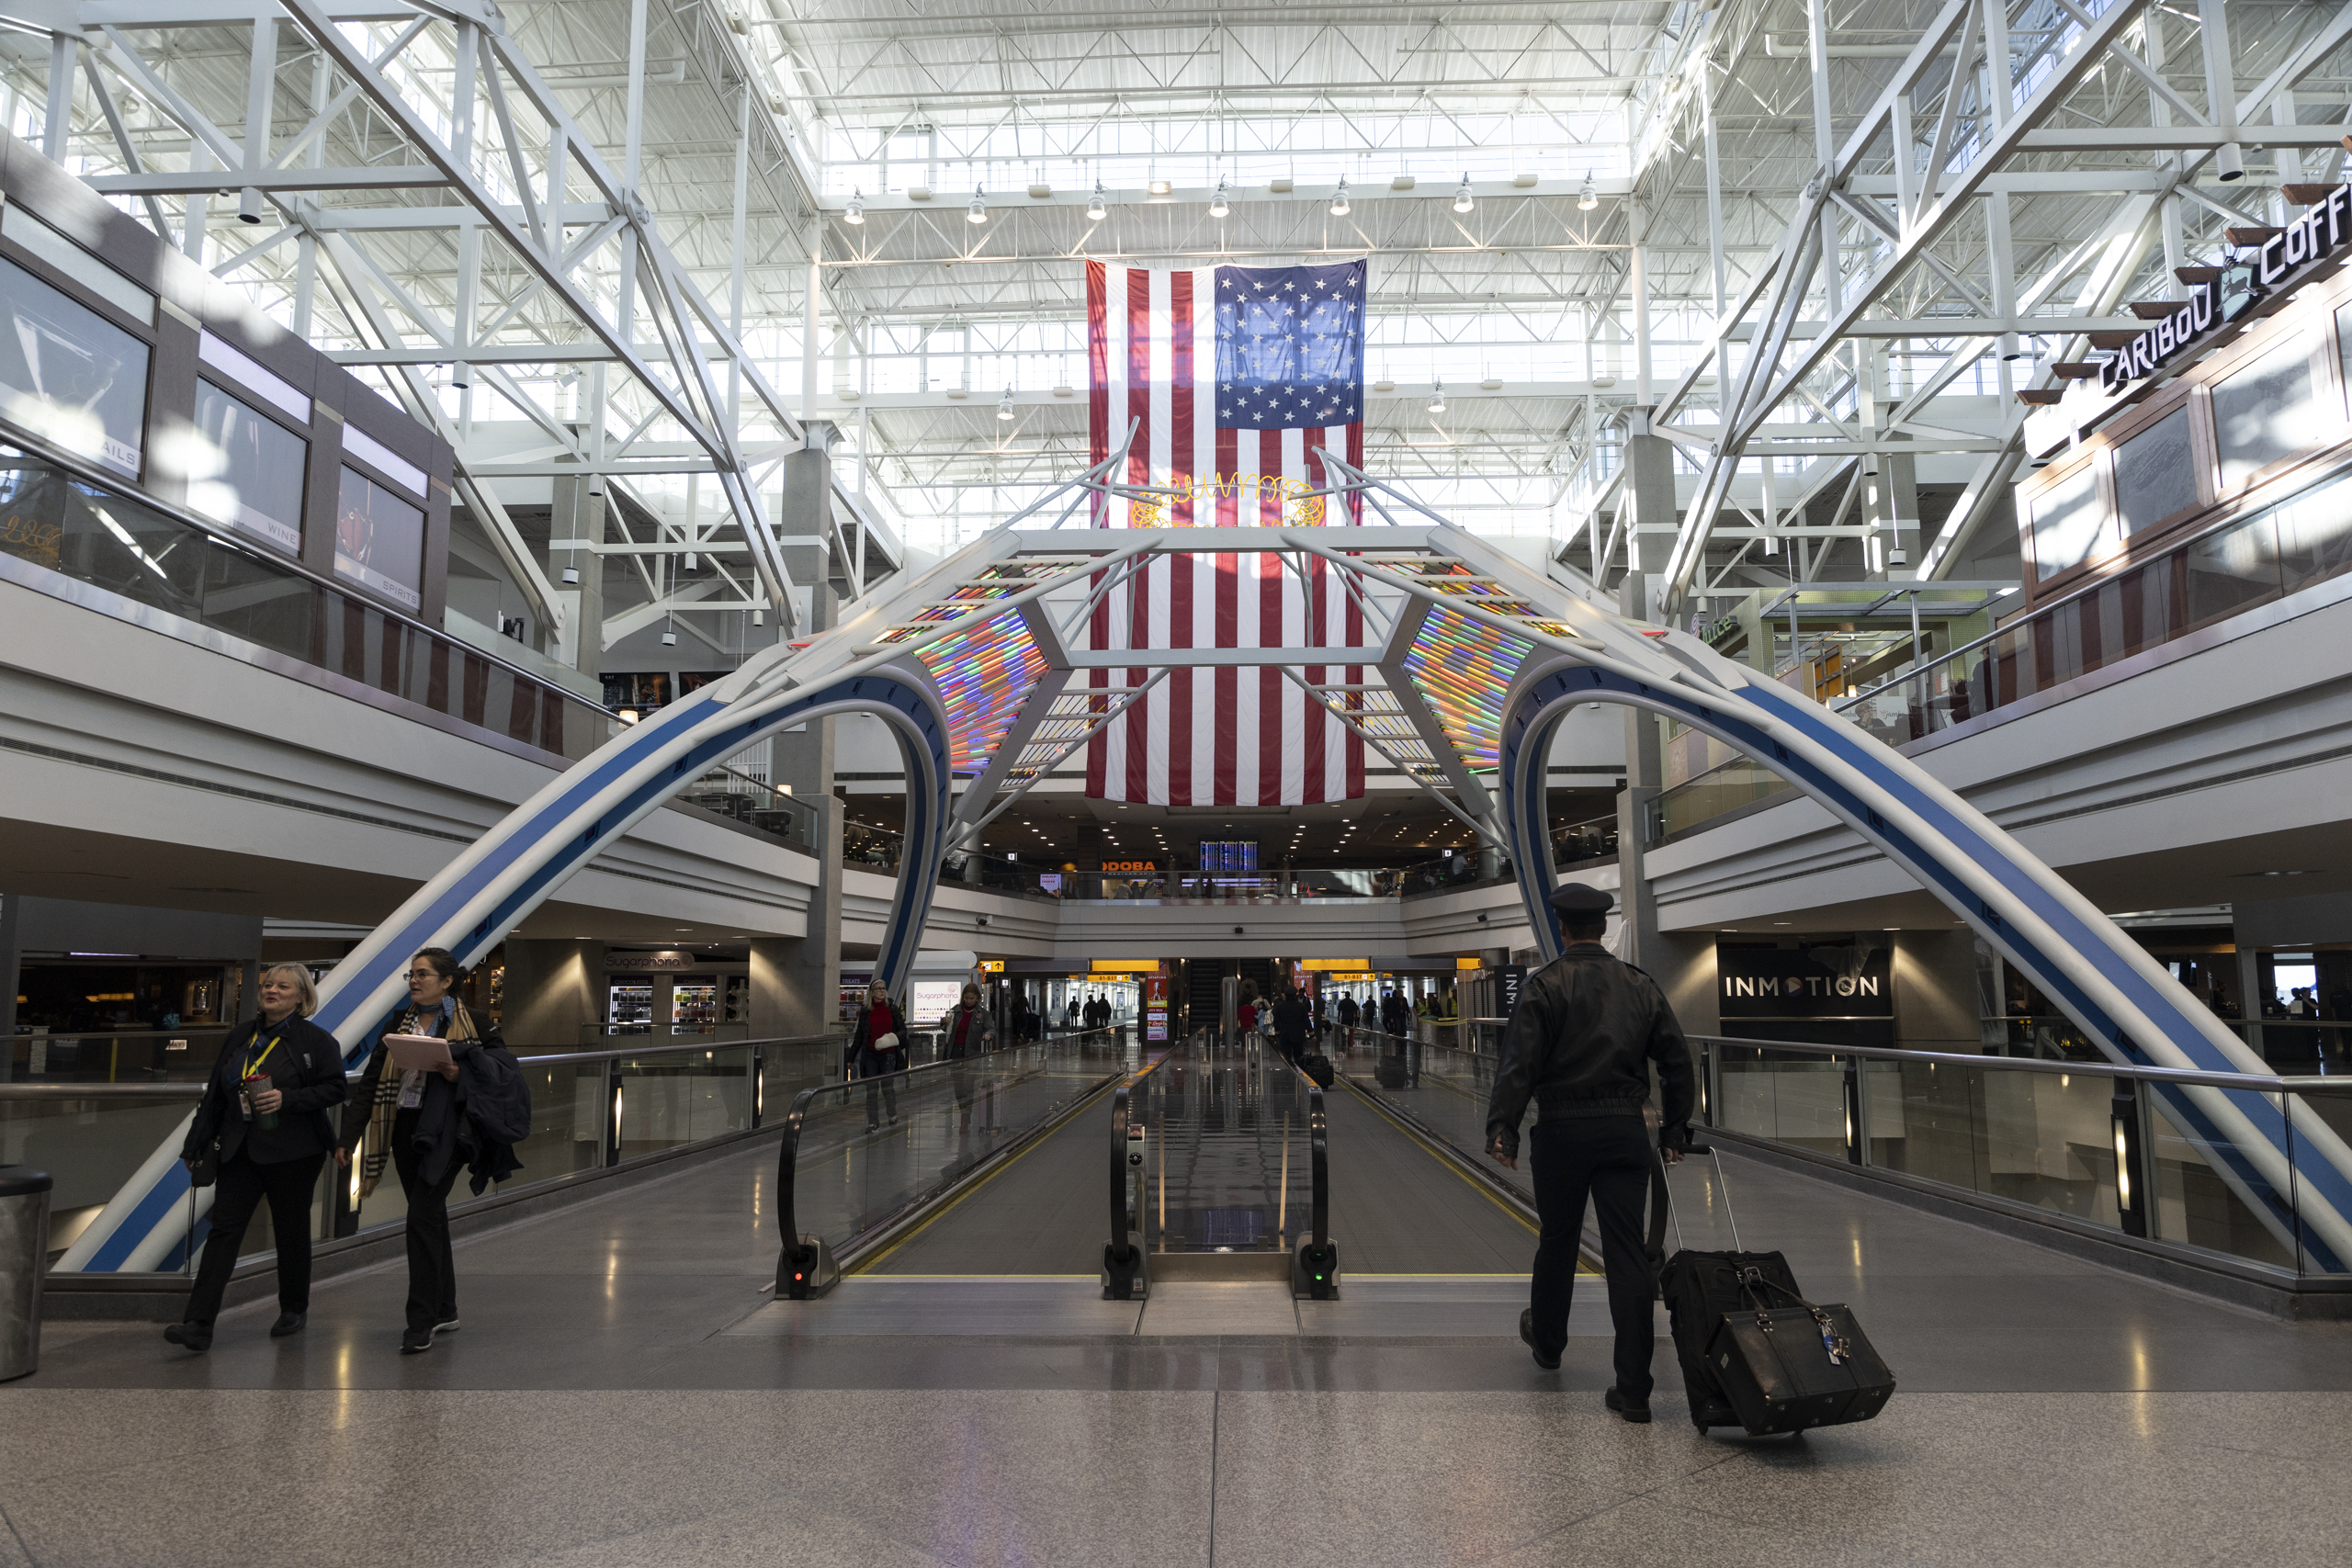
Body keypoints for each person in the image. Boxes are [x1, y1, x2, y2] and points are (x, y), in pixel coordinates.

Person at [1486, 883, 1694, 1423]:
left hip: (1562, 1133)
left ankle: (1550, 1344)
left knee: (1557, 1241)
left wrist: (1503, 1127)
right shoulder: (1641, 986)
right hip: (1625, 1132)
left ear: (1562, 927)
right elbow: (1677, 1061)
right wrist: (1674, 1131)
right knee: (1626, 1253)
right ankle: (1634, 1389)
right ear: (1603, 928)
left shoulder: (1543, 987)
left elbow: (1518, 1065)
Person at [336, 948, 526, 1356]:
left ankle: (419, 1321)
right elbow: (372, 1081)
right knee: (431, 1216)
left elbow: (503, 1070)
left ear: (446, 981)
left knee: (421, 1216)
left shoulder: (472, 1021)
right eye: (411, 975)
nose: (414, 981)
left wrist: (462, 1073)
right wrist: (348, 1137)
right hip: (404, 1129)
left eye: (423, 974)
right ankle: (445, 1308)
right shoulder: (398, 1023)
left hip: (449, 1131)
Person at [164, 964, 347, 1354]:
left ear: (301, 997)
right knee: (223, 1233)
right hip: (240, 1149)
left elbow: (334, 1088)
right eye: (268, 985)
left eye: (283, 986)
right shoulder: (240, 1035)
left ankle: (293, 1308)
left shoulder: (315, 1041)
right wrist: (195, 1145)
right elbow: (214, 1094)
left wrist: (288, 1098)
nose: (272, 991)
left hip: (294, 1153)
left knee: (290, 1232)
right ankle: (198, 1324)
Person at [847, 979, 907, 1130]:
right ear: (872, 992)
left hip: (889, 1055)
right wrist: (851, 1057)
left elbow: (902, 1031)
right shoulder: (866, 1012)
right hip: (871, 1055)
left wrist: (890, 1038)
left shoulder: (892, 1009)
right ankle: (873, 1121)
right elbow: (859, 1036)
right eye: (878, 988)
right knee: (871, 1089)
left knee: (888, 1087)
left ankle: (892, 1115)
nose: (882, 991)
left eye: (883, 988)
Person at [942, 981, 997, 1136]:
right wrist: (944, 1022)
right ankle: (964, 1111)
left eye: (972, 998)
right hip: (955, 1053)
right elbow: (946, 1027)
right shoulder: (955, 1011)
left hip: (972, 1053)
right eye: (966, 998)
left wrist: (988, 1035)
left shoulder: (983, 1013)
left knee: (968, 1084)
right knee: (958, 1087)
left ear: (977, 998)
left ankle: (965, 1116)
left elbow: (991, 1028)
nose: (969, 1001)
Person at [1270, 985, 1312, 1065]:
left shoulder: (1280, 1006)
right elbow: (1306, 1021)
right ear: (1295, 994)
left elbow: (1276, 1021)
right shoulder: (1301, 1006)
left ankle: (1288, 1072)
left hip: (1285, 1035)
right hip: (1299, 1034)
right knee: (1299, 1056)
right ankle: (1299, 1072)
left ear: (1285, 995)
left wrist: (1278, 1032)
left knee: (1286, 1056)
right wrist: (1312, 1034)